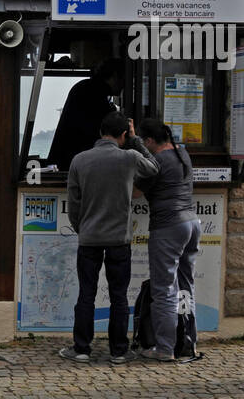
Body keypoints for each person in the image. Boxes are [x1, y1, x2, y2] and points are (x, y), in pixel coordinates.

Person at [61, 110, 159, 364]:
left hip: (90, 237)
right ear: (124, 134)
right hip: (119, 239)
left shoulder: (79, 160)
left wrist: (81, 228)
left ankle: (81, 348)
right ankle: (118, 350)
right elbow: (154, 168)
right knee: (119, 295)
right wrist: (136, 141)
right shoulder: (129, 157)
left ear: (99, 132)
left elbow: (73, 203)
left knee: (86, 293)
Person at [135, 118, 202, 362]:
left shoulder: (157, 161)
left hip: (168, 225)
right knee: (186, 285)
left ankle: (164, 348)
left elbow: (136, 192)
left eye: (144, 142)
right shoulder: (183, 153)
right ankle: (188, 343)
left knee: (163, 289)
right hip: (192, 222)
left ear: (150, 141)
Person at [48, 57, 125, 171]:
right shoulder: (96, 93)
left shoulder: (87, 87)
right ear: (114, 76)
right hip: (76, 163)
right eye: (123, 79)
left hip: (67, 160)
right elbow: (100, 129)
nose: (124, 85)